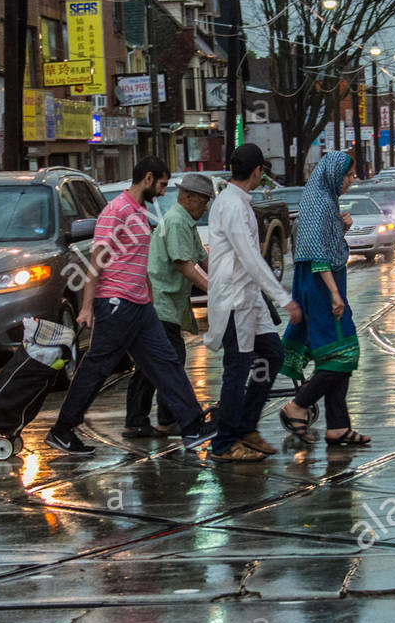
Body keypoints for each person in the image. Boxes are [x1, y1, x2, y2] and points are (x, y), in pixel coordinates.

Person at [45, 157, 215, 456]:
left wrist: (147, 297)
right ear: (147, 178)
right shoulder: (116, 211)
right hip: (115, 305)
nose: (163, 192)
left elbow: (139, 265)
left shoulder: (139, 211)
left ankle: (193, 427)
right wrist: (87, 308)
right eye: (162, 185)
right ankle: (63, 429)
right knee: (96, 368)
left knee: (166, 363)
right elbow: (95, 263)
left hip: (140, 306)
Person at [204, 143, 303, 462]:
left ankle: (246, 426)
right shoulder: (232, 205)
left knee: (272, 354)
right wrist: (284, 298)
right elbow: (250, 258)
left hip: (248, 300)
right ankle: (223, 442)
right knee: (237, 368)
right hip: (234, 300)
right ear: (258, 170)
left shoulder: (238, 202)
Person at [279, 152, 371, 448]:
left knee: (336, 354)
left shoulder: (323, 199)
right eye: (349, 175)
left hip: (320, 286)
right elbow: (319, 256)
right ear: (334, 175)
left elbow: (325, 244)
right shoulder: (320, 203)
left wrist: (342, 227)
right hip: (320, 289)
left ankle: (338, 426)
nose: (351, 181)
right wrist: (333, 293)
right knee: (343, 354)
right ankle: (298, 404)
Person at [123, 173, 213, 438]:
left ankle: (140, 420)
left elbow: (201, 258)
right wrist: (214, 290)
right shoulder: (175, 222)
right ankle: (164, 419)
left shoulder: (184, 222)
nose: (205, 207)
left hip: (167, 304)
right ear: (186, 198)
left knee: (152, 365)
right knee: (169, 362)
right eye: (202, 201)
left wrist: (223, 281)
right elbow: (184, 265)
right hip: (159, 303)